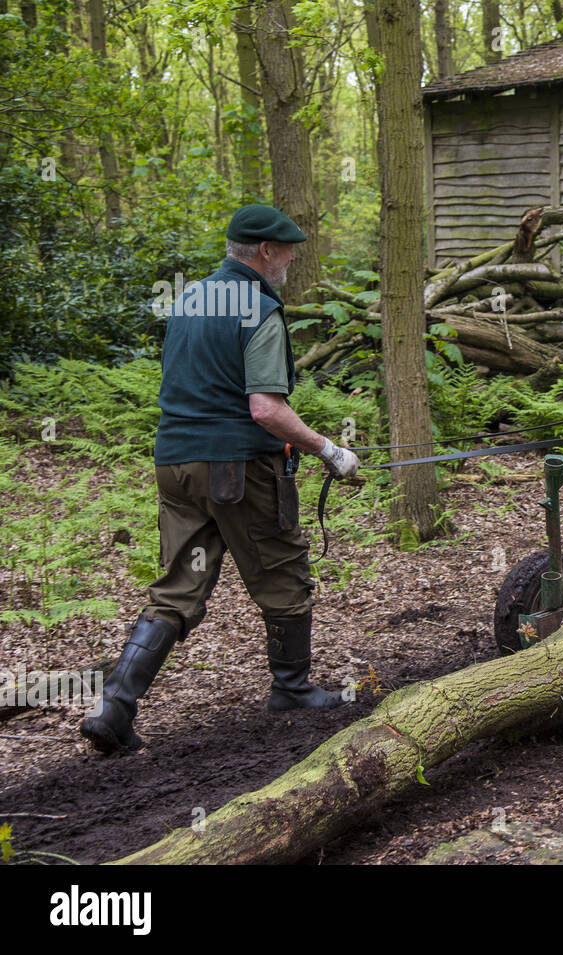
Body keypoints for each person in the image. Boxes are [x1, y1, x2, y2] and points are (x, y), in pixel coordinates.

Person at [80, 204, 360, 756]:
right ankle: (293, 689)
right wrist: (330, 451)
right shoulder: (259, 309)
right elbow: (265, 409)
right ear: (265, 252)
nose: (293, 260)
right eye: (288, 252)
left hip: (175, 464)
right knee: (282, 569)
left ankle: (114, 704)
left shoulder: (191, 299)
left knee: (179, 587)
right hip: (236, 469)